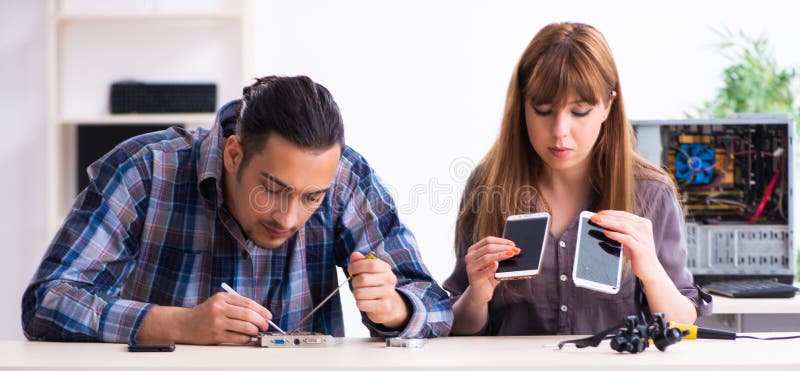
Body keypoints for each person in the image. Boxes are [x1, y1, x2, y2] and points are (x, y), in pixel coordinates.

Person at [22, 75, 452, 344]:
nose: (288, 218)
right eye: (273, 190)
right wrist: (178, 325)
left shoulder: (346, 177)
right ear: (232, 154)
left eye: (311, 198)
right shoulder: (145, 170)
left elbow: (434, 303)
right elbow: (47, 302)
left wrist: (394, 308)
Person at [444, 22, 711, 336]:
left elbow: (683, 325)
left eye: (580, 111)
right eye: (543, 110)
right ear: (522, 106)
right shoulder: (487, 186)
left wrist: (651, 271)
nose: (560, 131)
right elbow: (458, 326)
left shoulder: (651, 192)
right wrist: (476, 295)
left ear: (607, 106)